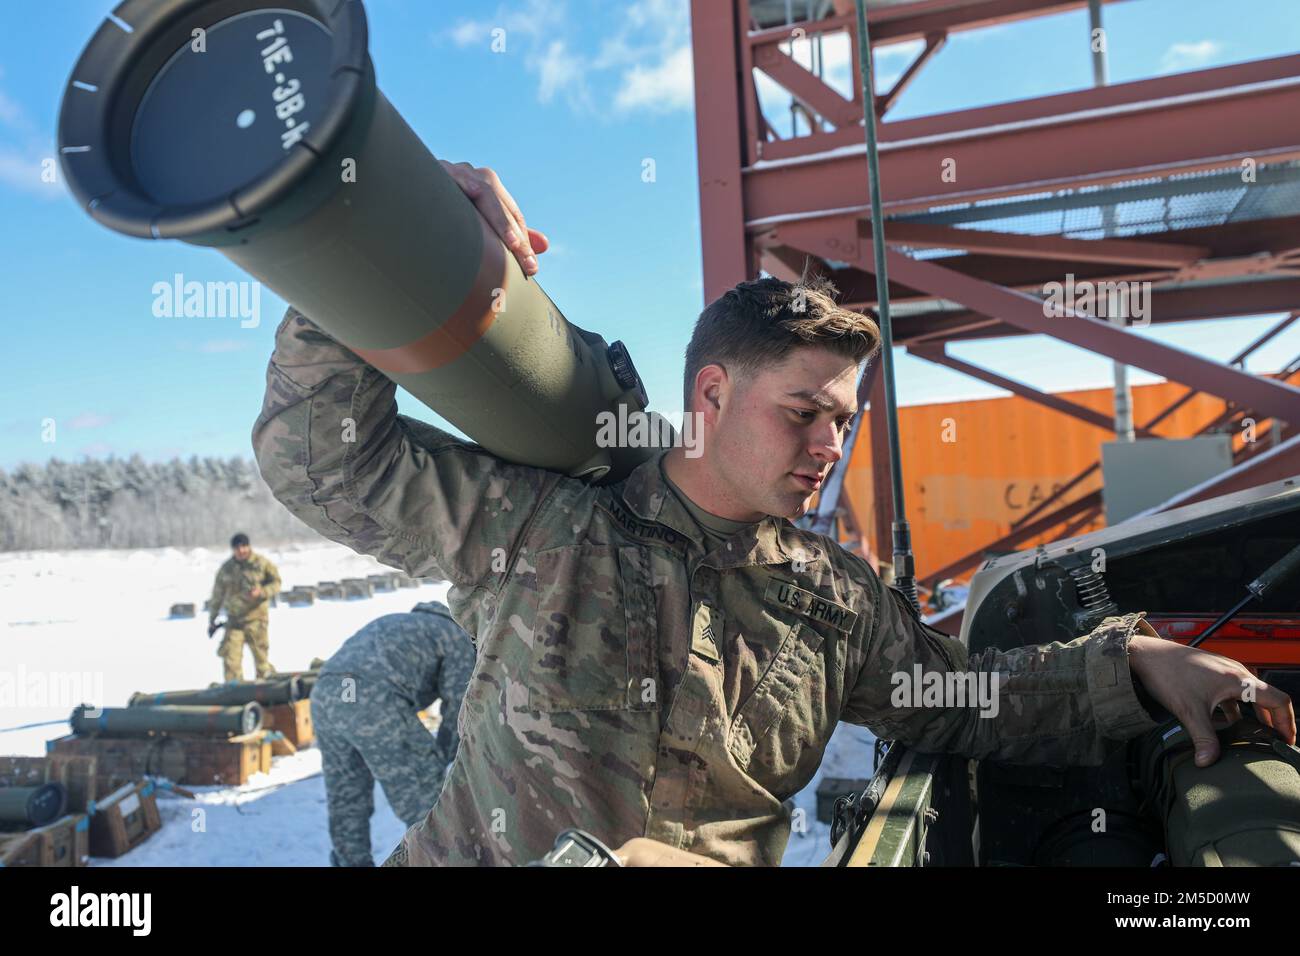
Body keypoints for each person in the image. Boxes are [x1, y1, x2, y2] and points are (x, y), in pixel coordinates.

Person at [251, 162, 1296, 867]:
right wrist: (390, 234)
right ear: (708, 396)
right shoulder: (548, 522)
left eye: (841, 419)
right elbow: (322, 465)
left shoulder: (830, 602)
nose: (828, 444)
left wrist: (1136, 662)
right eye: (802, 411)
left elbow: (958, 695)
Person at [311, 601, 476, 867]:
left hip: (325, 692)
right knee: (428, 800)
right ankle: (451, 861)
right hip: (370, 698)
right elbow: (459, 708)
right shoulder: (456, 635)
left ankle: (349, 862)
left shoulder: (400, 622)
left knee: (347, 797)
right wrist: (441, 760)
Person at [206, 533, 281, 681]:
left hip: (256, 621)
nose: (241, 551)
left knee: (262, 664)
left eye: (243, 547)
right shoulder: (226, 569)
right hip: (234, 622)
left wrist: (262, 592)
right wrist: (212, 618)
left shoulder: (261, 564)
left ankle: (267, 695)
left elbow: (276, 583)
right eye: (237, 548)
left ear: (249, 546)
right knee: (231, 663)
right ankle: (236, 693)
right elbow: (217, 596)